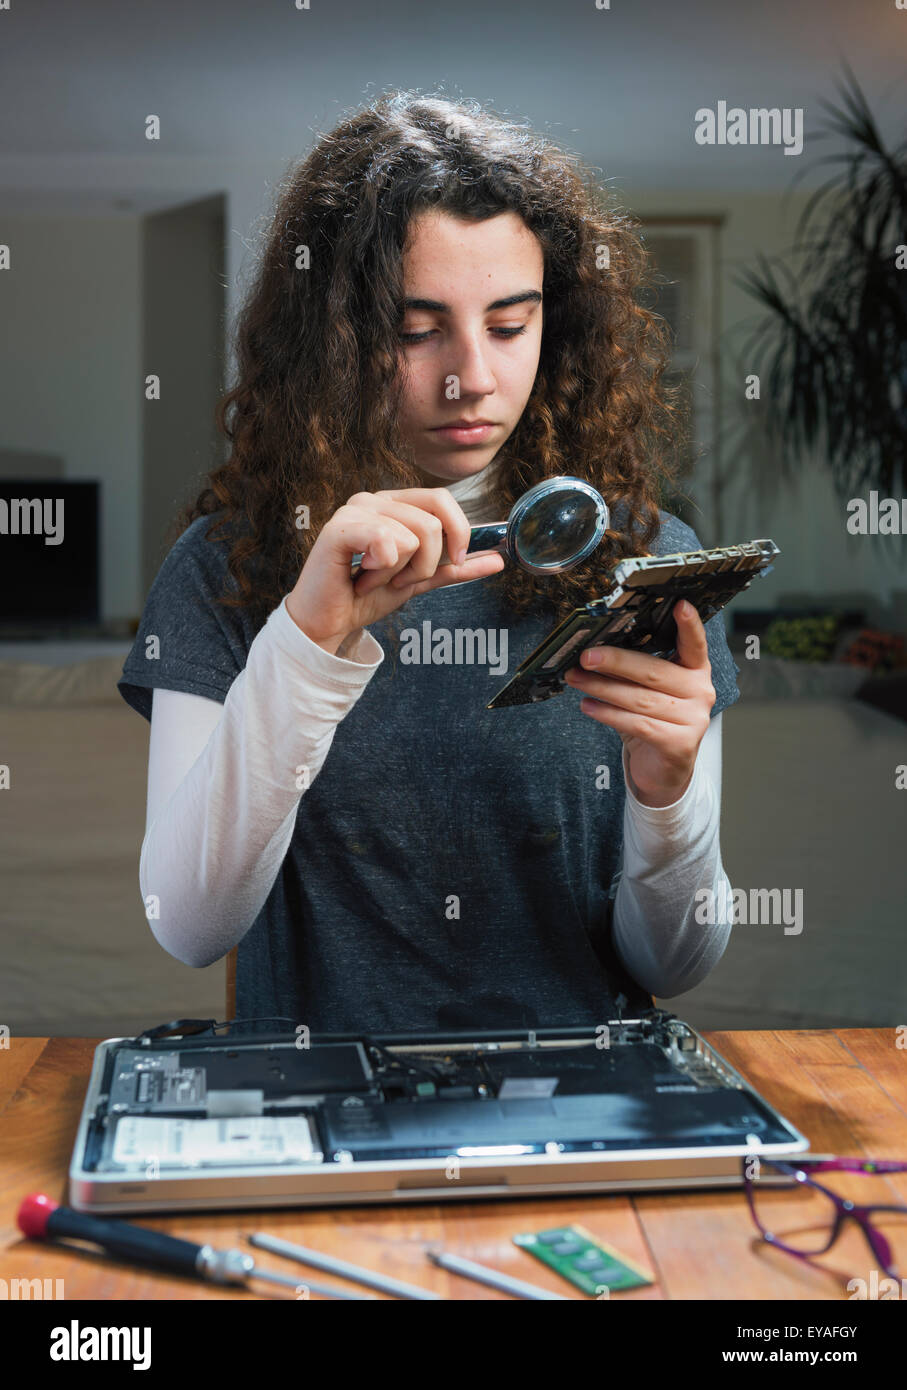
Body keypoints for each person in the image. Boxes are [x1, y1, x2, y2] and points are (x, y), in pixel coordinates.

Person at [118, 90, 741, 1033]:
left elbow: (674, 964)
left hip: (580, 1116)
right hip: (322, 1108)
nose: (472, 378)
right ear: (332, 337)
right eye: (415, 330)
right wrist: (305, 644)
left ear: (554, 324)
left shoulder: (648, 562)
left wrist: (668, 798)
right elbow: (188, 927)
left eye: (508, 323)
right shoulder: (229, 565)